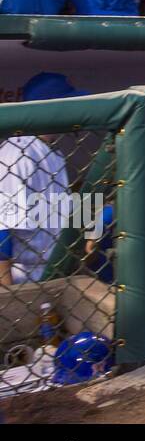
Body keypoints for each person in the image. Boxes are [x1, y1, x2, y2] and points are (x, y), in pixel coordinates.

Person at [0, 73, 79, 285]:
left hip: (52, 269)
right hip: (20, 275)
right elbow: (1, 229)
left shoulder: (55, 152)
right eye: (69, 103)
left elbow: (60, 211)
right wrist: (8, 295)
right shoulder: (19, 152)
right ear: (50, 107)